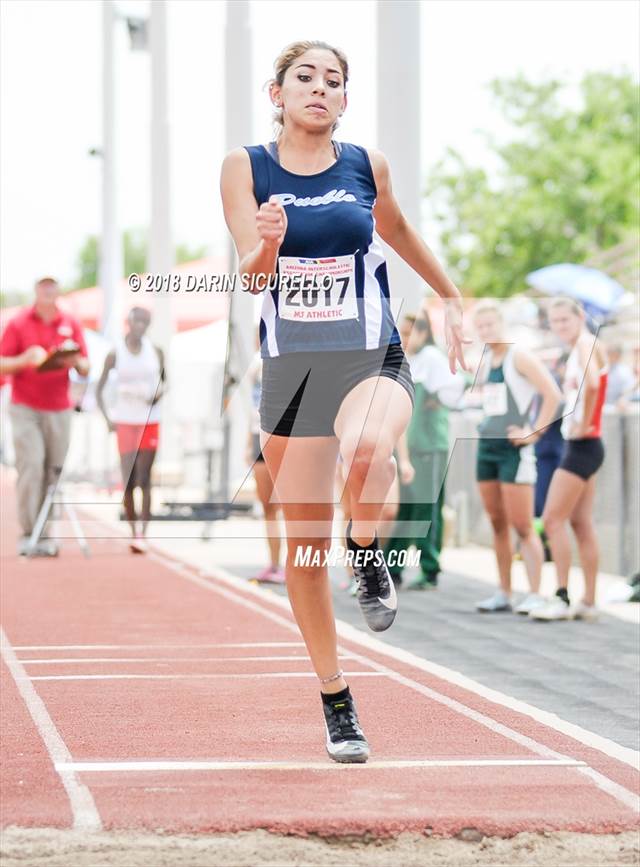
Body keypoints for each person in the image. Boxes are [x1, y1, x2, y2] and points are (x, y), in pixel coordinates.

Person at [220, 40, 468, 763]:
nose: (319, 89)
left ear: (344, 99)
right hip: (293, 370)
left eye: (333, 80)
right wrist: (268, 243)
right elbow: (252, 277)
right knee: (304, 549)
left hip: (369, 354)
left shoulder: (365, 165)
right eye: (305, 77)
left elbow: (399, 230)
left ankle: (365, 551)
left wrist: (452, 298)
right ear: (277, 93)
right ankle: (336, 697)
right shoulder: (247, 167)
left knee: (368, 450)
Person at [472, 301, 561, 615]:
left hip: (514, 450)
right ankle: (504, 591)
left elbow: (553, 394)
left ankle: (535, 593)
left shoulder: (518, 356)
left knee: (522, 525)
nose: (486, 331)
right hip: (487, 448)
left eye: (490, 325)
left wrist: (534, 432)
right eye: (480, 327)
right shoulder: (486, 360)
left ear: (501, 324)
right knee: (497, 523)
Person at [0, 277, 89, 555]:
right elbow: (2, 362)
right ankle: (30, 533)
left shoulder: (70, 323)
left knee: (54, 470)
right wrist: (25, 358)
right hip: (25, 406)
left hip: (59, 407)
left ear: (58, 290)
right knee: (32, 464)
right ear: (37, 290)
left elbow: (86, 365)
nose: (48, 290)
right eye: (43, 285)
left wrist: (76, 361)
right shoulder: (18, 323)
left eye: (52, 285)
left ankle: (45, 533)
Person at [532, 298, 608, 622]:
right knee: (580, 523)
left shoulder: (585, 344)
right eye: (555, 321)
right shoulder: (580, 347)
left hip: (582, 445)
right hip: (585, 445)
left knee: (552, 520)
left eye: (565, 319)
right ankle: (588, 602)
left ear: (579, 317)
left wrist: (584, 423)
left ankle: (561, 596)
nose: (560, 326)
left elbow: (592, 385)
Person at [385, 310, 465, 590]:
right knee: (405, 509)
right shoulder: (407, 360)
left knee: (425, 508)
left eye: (410, 333)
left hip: (429, 447)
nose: (405, 338)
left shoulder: (431, 358)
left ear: (423, 332)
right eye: (402, 333)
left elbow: (460, 383)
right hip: (406, 449)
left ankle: (429, 568)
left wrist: (437, 399)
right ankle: (393, 567)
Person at [96, 307, 165, 554]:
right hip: (125, 420)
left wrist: (158, 395)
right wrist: (107, 418)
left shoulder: (155, 352)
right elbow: (99, 388)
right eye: (137, 322)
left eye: (146, 323)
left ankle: (142, 534)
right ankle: (132, 527)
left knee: (144, 477)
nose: (141, 327)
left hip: (149, 420)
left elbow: (165, 382)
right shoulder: (116, 353)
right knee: (129, 479)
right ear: (129, 322)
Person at [246, 353, 285, 582]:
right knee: (267, 506)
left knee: (288, 507)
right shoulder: (255, 362)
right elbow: (252, 406)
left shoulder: (287, 354)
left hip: (281, 436)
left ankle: (293, 564)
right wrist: (247, 444)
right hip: (257, 436)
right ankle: (273, 564)